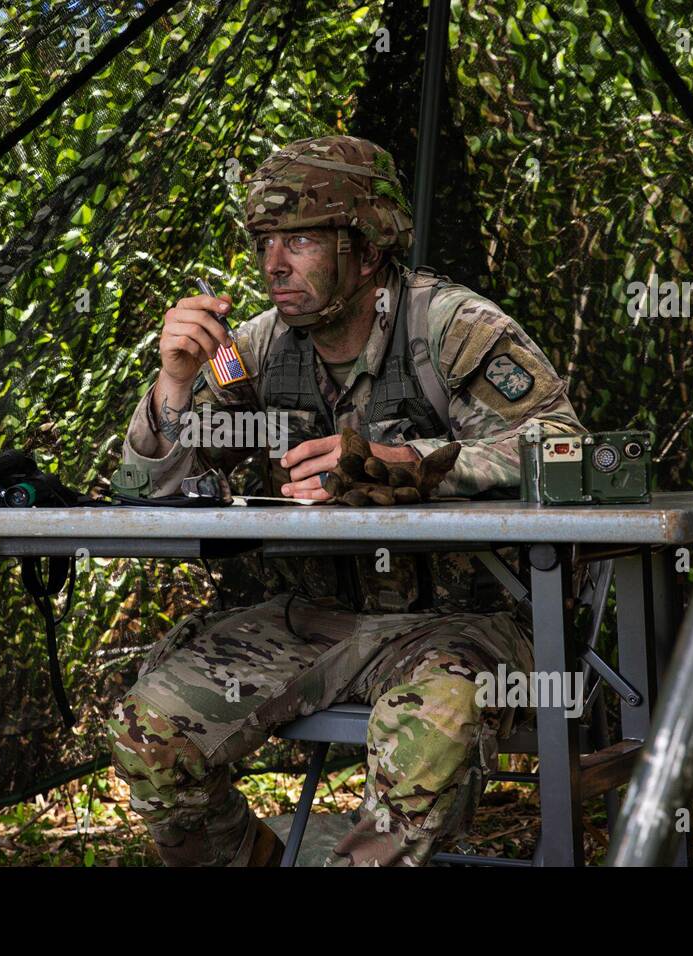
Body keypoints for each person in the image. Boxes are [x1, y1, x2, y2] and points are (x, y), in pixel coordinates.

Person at [108, 134, 586, 866]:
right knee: (152, 730)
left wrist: (409, 463)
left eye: (299, 239)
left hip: (462, 625)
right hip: (317, 622)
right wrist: (173, 386)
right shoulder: (259, 351)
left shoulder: (449, 330)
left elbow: (563, 446)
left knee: (431, 728)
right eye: (266, 239)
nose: (274, 263)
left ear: (366, 250)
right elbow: (154, 488)